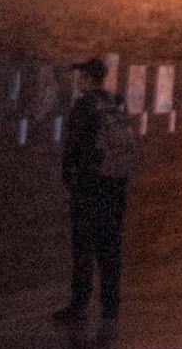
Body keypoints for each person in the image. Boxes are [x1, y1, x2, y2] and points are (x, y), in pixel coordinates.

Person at [57, 56, 135, 330]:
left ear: (89, 79)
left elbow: (73, 146)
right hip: (116, 184)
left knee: (83, 247)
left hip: (90, 184)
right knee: (110, 246)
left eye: (81, 76)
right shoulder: (117, 102)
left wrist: (69, 176)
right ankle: (110, 305)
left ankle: (80, 303)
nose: (78, 81)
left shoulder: (84, 106)